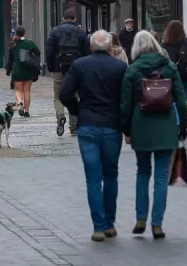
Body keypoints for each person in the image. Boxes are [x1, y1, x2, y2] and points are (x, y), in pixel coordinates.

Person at [60, 30, 127, 242]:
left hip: (87, 125)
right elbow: (126, 99)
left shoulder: (80, 65)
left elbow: (64, 93)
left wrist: (78, 110)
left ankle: (98, 226)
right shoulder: (119, 67)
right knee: (111, 175)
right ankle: (109, 224)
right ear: (109, 47)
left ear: (90, 46)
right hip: (111, 126)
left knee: (93, 178)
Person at [120, 31, 187, 240]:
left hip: (141, 125)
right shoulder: (169, 67)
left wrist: (126, 129)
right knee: (161, 176)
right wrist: (183, 126)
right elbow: (181, 101)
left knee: (142, 173)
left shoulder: (133, 70)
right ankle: (157, 223)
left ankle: (141, 218)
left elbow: (125, 105)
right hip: (165, 126)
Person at [46, 9, 89, 137]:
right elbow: (87, 52)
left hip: (59, 68)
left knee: (57, 96)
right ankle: (74, 128)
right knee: (74, 95)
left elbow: (49, 51)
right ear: (75, 19)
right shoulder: (81, 32)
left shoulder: (55, 31)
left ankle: (60, 116)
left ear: (63, 19)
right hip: (76, 69)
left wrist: (51, 68)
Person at [5, 25, 40, 117]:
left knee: (18, 90)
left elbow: (10, 59)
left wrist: (8, 71)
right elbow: (38, 52)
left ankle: (20, 103)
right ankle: (27, 111)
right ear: (24, 33)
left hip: (17, 70)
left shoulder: (13, 44)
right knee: (27, 91)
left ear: (16, 33)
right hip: (28, 69)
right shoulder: (30, 43)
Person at [161, 20, 187, 97]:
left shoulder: (165, 44)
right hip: (185, 74)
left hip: (170, 75)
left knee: (171, 97)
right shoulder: (186, 42)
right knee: (183, 96)